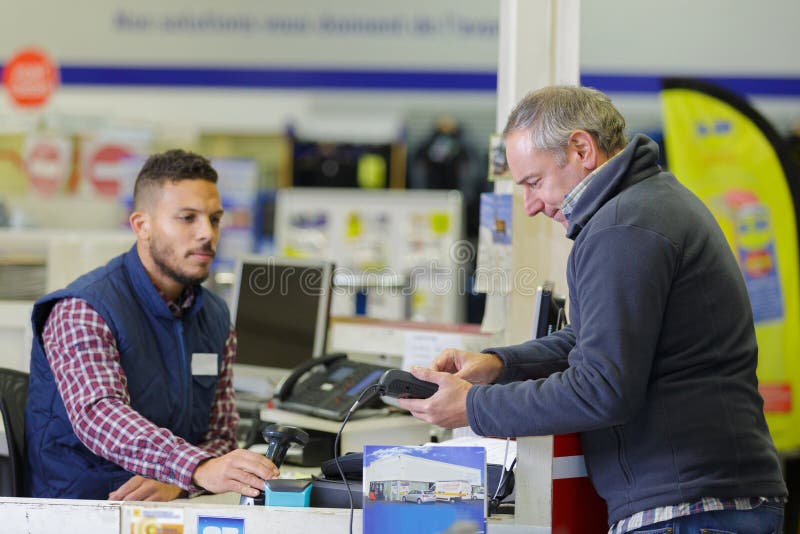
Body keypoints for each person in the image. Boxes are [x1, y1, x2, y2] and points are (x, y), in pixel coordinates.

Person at [398, 86, 787, 532]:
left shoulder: (624, 226)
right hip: (708, 501)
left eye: (533, 182)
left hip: (688, 509)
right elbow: (593, 337)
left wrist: (474, 407)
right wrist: (498, 364)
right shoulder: (644, 206)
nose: (530, 205)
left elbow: (601, 388)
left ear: (581, 148)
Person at [25, 149, 279, 501]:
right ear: (141, 226)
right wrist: (197, 468)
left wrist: (180, 479)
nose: (207, 233)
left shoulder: (215, 317)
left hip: (170, 510)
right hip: (87, 512)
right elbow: (99, 415)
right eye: (187, 218)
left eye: (215, 219)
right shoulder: (82, 308)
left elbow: (221, 433)